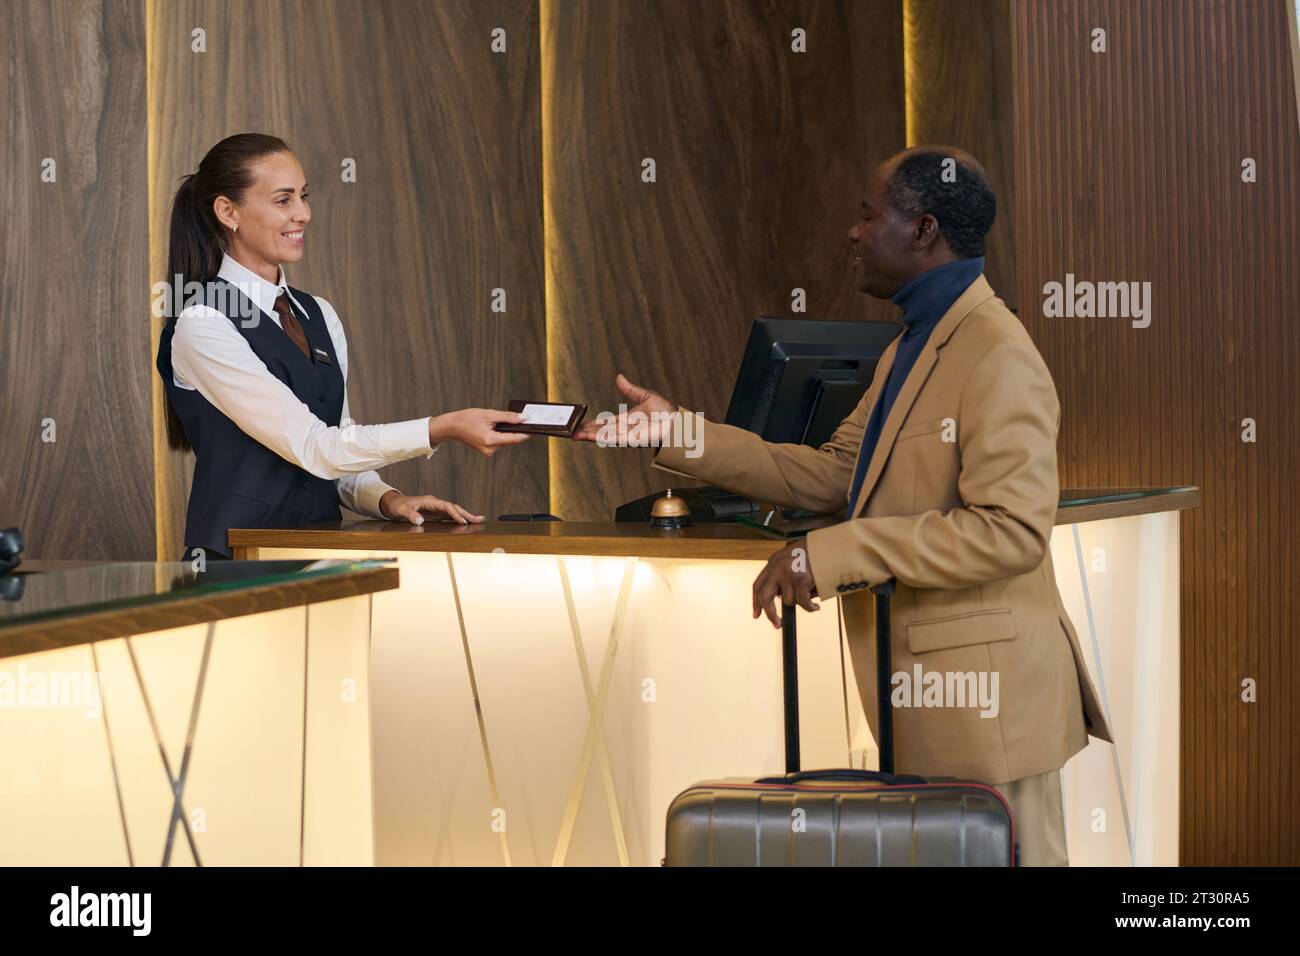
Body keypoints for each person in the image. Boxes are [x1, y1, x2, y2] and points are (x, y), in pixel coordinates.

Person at [575, 146, 1112, 866]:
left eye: (868, 215)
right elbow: (834, 475)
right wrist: (678, 432)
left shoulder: (996, 353)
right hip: (932, 708)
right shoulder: (913, 346)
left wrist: (835, 553)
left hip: (994, 717)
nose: (854, 233)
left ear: (923, 230)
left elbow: (1010, 532)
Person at [157, 133, 528, 561]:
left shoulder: (320, 314)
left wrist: (387, 499)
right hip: (238, 562)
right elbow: (316, 448)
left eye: (304, 196)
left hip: (320, 554)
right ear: (228, 211)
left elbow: (338, 444)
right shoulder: (204, 322)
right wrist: (441, 428)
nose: (303, 214)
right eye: (283, 200)